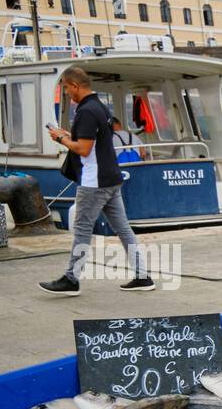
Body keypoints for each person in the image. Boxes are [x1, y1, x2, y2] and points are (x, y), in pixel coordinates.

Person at [43, 66, 151, 295]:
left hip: (94, 182)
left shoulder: (85, 112)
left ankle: (71, 279)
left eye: (65, 88)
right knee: (123, 228)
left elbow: (83, 149)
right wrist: (69, 135)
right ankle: (143, 276)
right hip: (111, 178)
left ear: (74, 85)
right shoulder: (99, 107)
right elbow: (93, 142)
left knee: (82, 229)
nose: (66, 94)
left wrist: (61, 138)